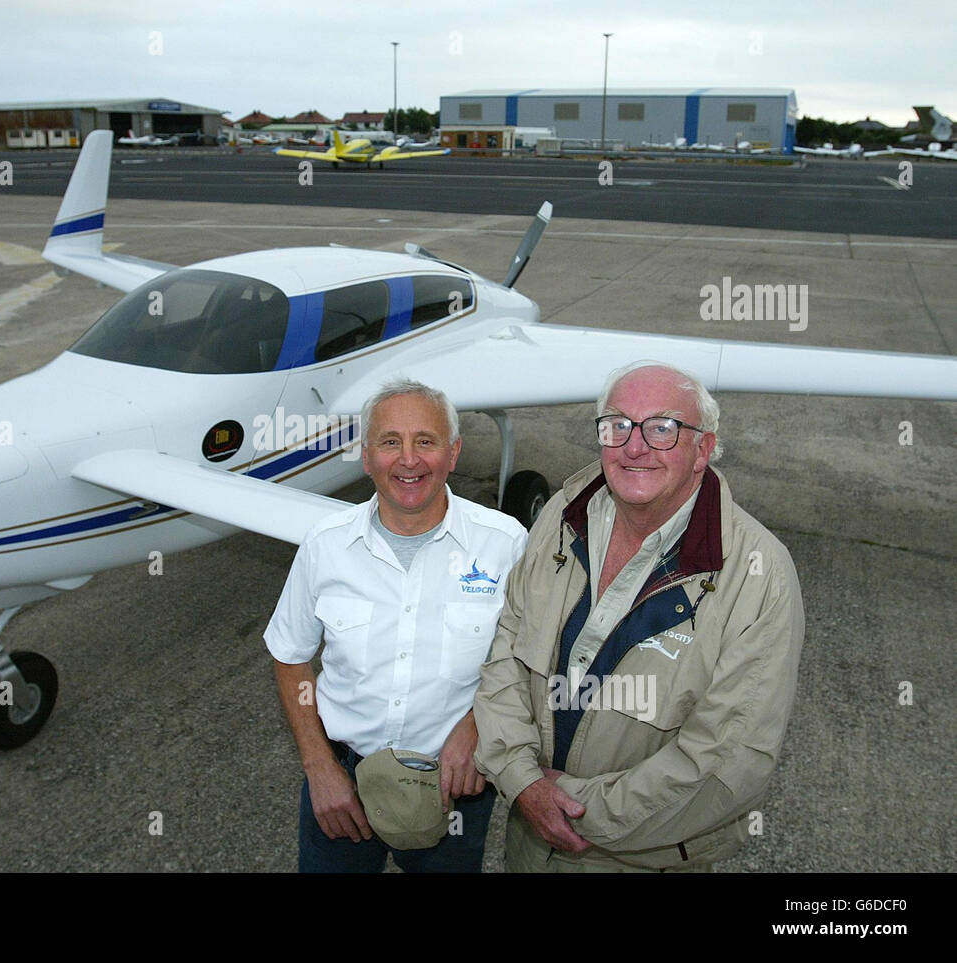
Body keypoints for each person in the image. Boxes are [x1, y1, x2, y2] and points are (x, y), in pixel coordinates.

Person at [474, 361, 805, 872]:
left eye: (663, 428)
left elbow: (728, 760)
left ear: (704, 449)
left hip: (640, 858)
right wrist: (522, 781)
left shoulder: (759, 575)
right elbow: (505, 652)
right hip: (528, 844)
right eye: (618, 425)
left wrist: (575, 810)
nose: (635, 446)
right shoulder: (562, 517)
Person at [264, 379, 527, 872]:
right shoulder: (325, 545)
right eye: (390, 442)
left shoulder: (504, 544)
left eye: (425, 441)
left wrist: (478, 727)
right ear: (366, 457)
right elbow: (291, 654)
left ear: (453, 453)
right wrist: (318, 766)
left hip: (455, 788)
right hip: (343, 784)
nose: (409, 460)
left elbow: (526, 656)